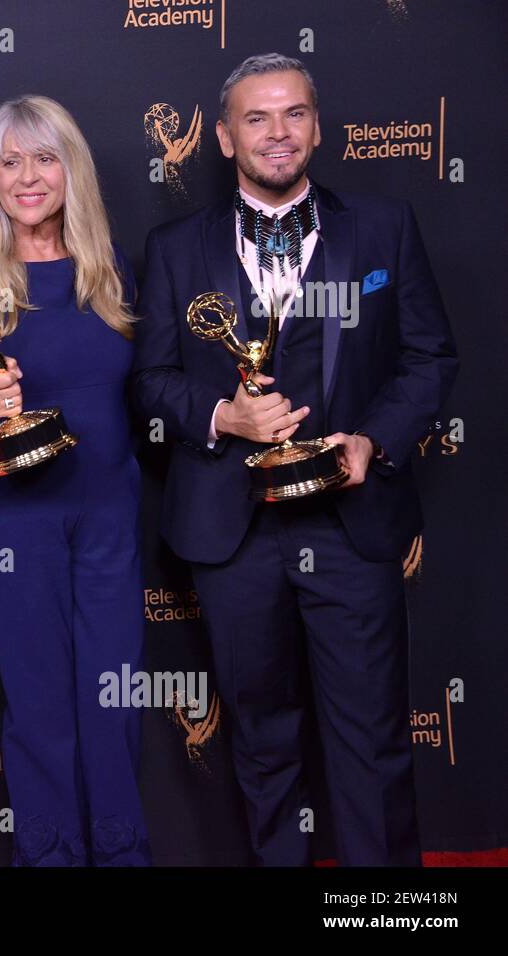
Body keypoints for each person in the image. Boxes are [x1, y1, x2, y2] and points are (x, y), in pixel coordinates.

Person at [133, 53, 458, 865]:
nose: (277, 134)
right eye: (256, 117)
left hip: (353, 525)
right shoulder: (174, 247)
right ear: (222, 136)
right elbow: (151, 382)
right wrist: (222, 414)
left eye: (294, 115)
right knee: (262, 741)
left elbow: (430, 359)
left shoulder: (386, 227)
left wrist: (372, 440)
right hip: (232, 533)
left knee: (373, 741)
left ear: (317, 127)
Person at [0, 95, 150, 866]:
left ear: (70, 169)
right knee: (42, 709)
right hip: (11, 523)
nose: (28, 176)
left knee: (113, 704)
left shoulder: (110, 274)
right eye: (10, 162)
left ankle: (121, 854)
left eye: (44, 158)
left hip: (108, 516)